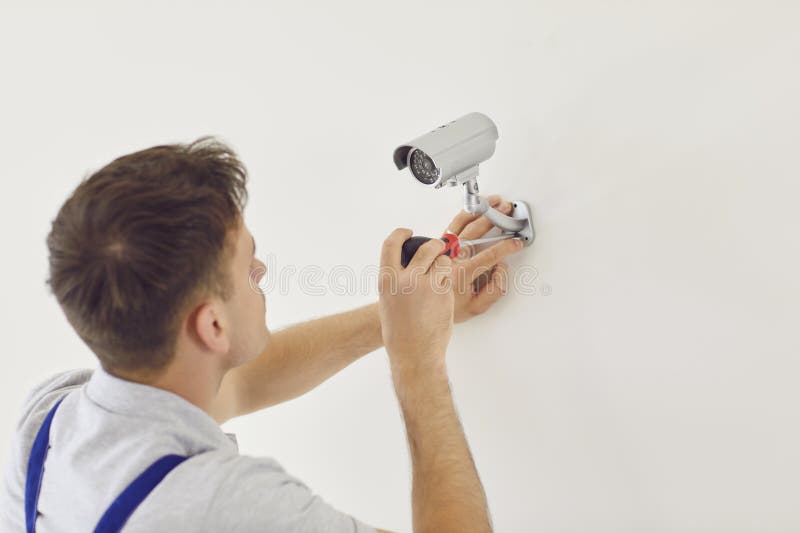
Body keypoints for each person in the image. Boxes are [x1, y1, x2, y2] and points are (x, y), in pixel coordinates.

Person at [0, 137, 523, 532]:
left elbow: (241, 383)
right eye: (248, 266)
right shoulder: (224, 505)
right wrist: (418, 364)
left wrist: (399, 317)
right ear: (212, 325)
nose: (262, 272)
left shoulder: (51, 419)